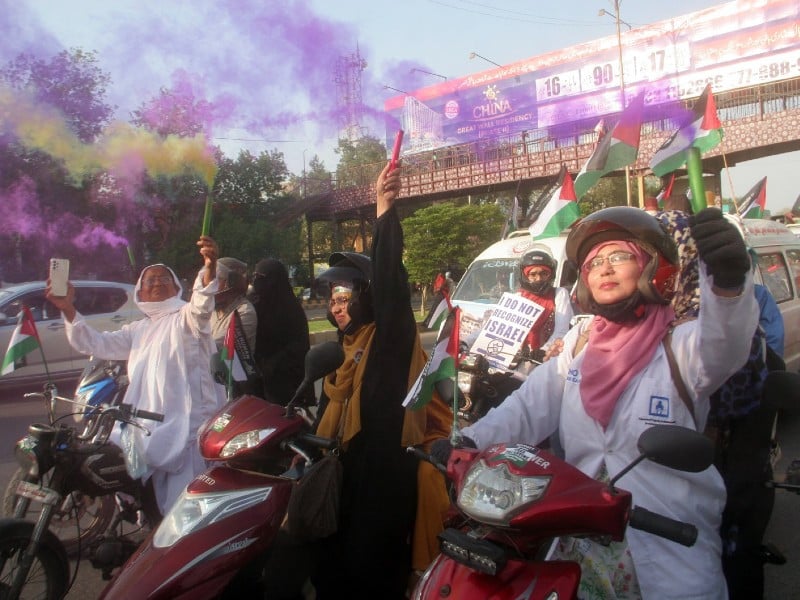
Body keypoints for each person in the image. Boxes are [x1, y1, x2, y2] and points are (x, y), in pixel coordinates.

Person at [434, 206, 757, 599]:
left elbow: (726, 344)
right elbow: (527, 408)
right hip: (579, 544)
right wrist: (467, 442)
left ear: (650, 266)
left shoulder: (680, 342)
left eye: (619, 256)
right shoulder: (579, 343)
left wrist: (727, 285)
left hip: (668, 545)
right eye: (593, 263)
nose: (604, 269)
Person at [310, 162, 451, 598]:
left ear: (367, 298)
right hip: (342, 479)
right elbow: (324, 414)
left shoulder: (389, 342)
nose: (337, 307)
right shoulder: (341, 352)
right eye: (332, 299)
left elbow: (391, 284)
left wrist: (384, 210)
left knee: (370, 575)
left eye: (346, 297)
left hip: (383, 483)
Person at [45, 236, 227, 514]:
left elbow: (202, 304)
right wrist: (68, 309)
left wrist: (210, 266)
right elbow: (95, 343)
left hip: (185, 424)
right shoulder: (138, 329)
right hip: (146, 425)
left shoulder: (186, 317)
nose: (155, 283)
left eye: (163, 279)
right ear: (140, 292)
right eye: (149, 280)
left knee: (186, 508)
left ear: (176, 287)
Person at [249, 258, 312, 406]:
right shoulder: (255, 306)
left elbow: (299, 347)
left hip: (288, 386)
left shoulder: (291, 310)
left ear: (274, 280)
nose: (256, 281)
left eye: (261, 277)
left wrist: (272, 364)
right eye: (254, 276)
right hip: (260, 385)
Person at [517, 248, 574, 362]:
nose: (538, 279)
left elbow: (562, 330)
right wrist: (470, 340)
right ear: (525, 276)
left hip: (548, 356)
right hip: (519, 357)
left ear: (551, 275)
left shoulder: (559, 294)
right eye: (533, 274)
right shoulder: (518, 296)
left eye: (544, 273)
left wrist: (544, 350)